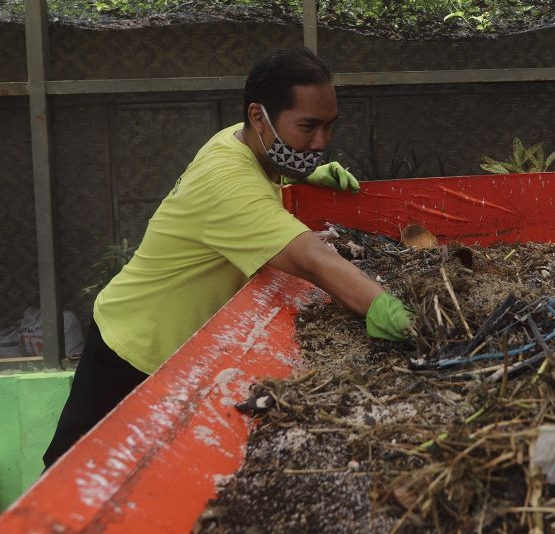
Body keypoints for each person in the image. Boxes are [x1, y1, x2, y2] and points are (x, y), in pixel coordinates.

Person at [43, 47, 413, 467]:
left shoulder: (235, 141)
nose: (321, 143)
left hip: (169, 346)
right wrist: (381, 305)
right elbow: (312, 258)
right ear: (259, 117)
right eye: (308, 127)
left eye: (329, 126)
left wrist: (305, 173)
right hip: (133, 350)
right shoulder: (228, 181)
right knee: (71, 476)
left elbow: (257, 177)